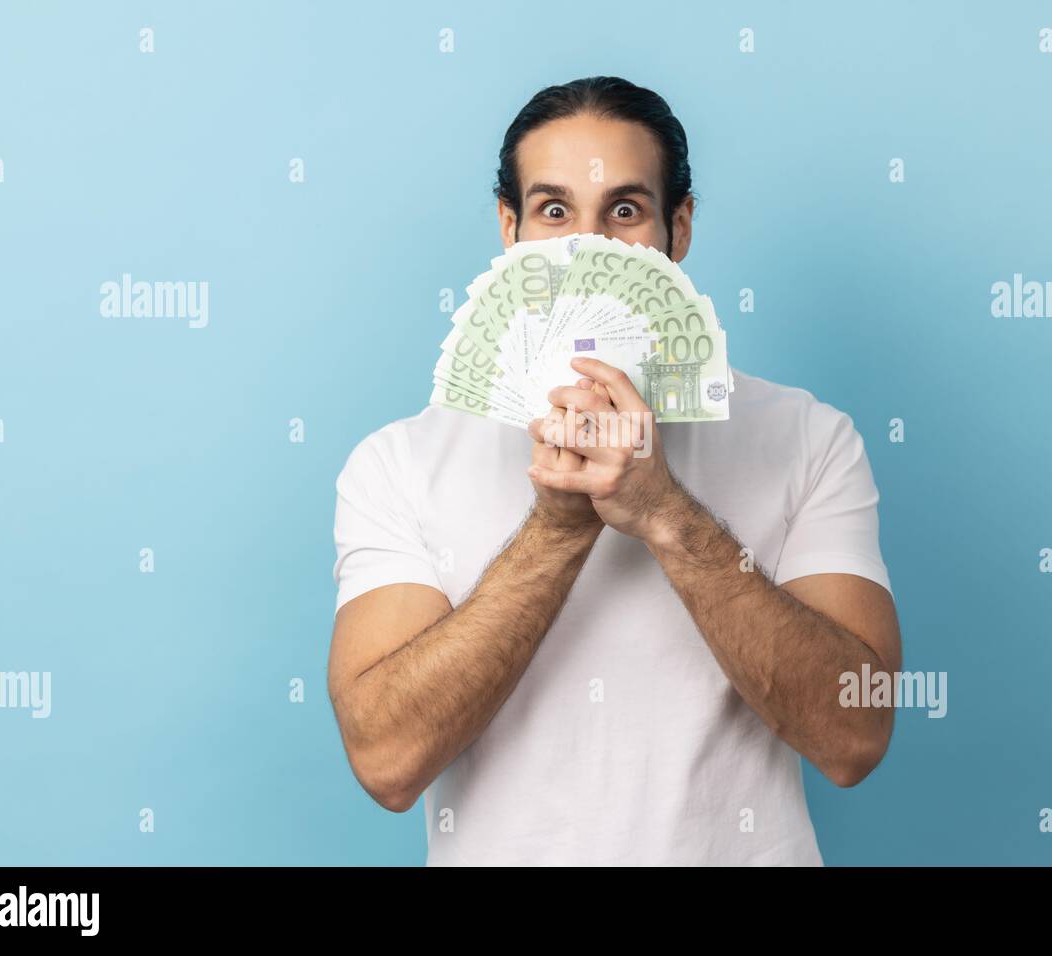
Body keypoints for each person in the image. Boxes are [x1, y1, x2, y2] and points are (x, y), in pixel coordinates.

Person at [327, 76, 902, 865]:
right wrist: (559, 526)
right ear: (510, 228)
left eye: (624, 212)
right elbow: (386, 763)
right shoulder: (397, 464)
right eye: (554, 210)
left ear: (680, 227)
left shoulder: (807, 438)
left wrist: (665, 513)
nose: (587, 251)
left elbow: (855, 736)